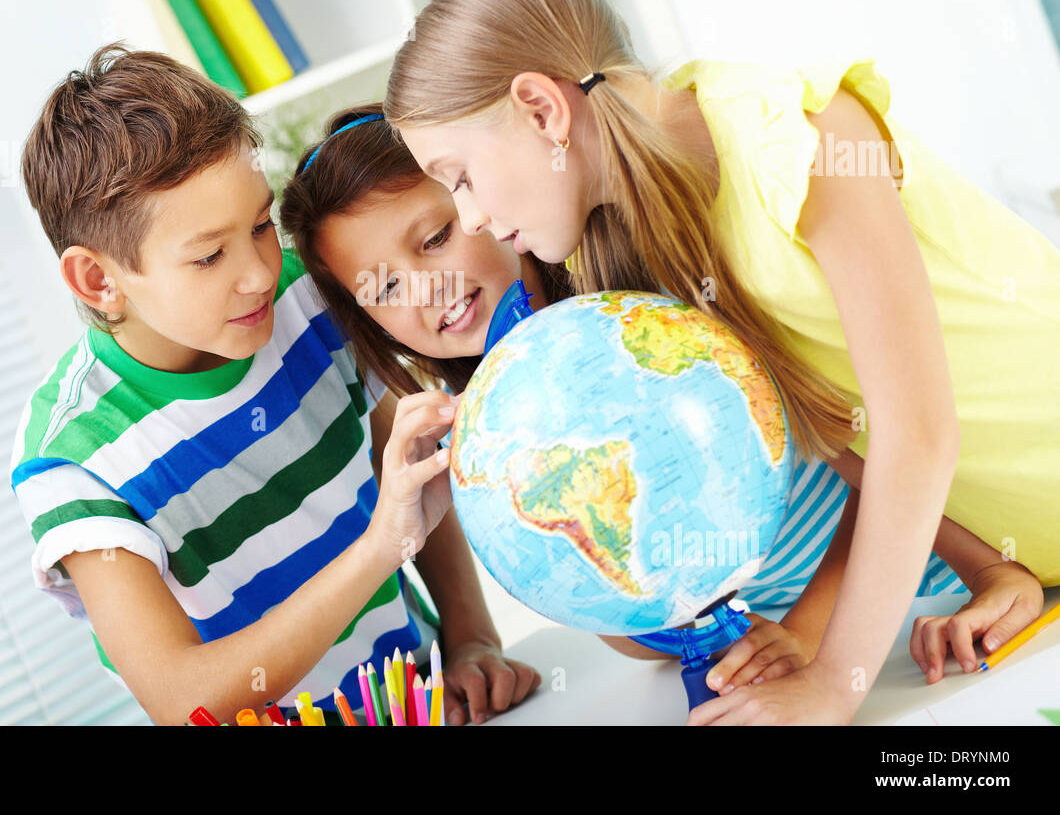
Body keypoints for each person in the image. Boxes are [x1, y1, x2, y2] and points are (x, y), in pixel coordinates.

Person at [381, 0, 1056, 723]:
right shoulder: (624, 246)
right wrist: (989, 568)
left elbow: (918, 431)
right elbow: (837, 431)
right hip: (1034, 545)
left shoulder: (802, 135)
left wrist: (837, 680)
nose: (469, 219)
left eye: (460, 175)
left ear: (541, 110)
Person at [280, 102, 1028, 706]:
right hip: (820, 653)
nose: (426, 288)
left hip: (910, 597)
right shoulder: (494, 431)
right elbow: (626, 629)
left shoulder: (646, 312)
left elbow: (851, 439)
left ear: (482, 202)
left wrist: (819, 633)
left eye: (436, 237)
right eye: (383, 289)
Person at [9, 43, 537, 725]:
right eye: (208, 256)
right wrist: (381, 546)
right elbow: (180, 696)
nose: (259, 271)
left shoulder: (305, 300)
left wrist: (470, 640)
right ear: (99, 280)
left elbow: (415, 483)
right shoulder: (72, 458)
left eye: (260, 224)